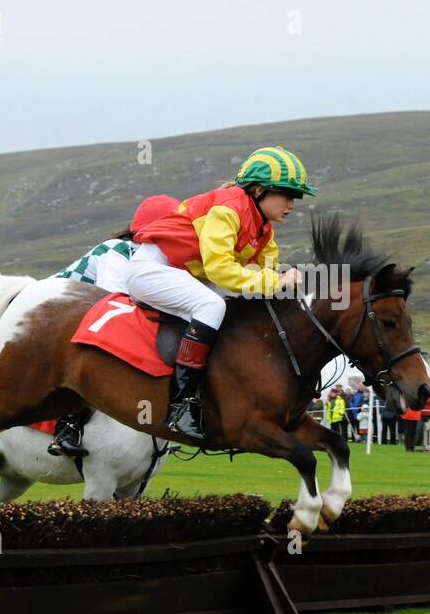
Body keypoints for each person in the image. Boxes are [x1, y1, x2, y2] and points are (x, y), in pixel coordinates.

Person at [127, 146, 312, 439]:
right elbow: (220, 270)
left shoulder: (263, 227)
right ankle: (180, 404)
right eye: (288, 194)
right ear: (259, 190)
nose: (293, 203)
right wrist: (276, 281)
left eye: (297, 196)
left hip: (186, 274)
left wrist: (283, 281)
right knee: (212, 307)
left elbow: (265, 271)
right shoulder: (228, 208)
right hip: (153, 268)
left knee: (244, 304)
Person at [50, 194, 181, 456]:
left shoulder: (156, 257)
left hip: (80, 314)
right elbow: (113, 302)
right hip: (53, 315)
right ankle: (67, 426)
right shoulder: (116, 251)